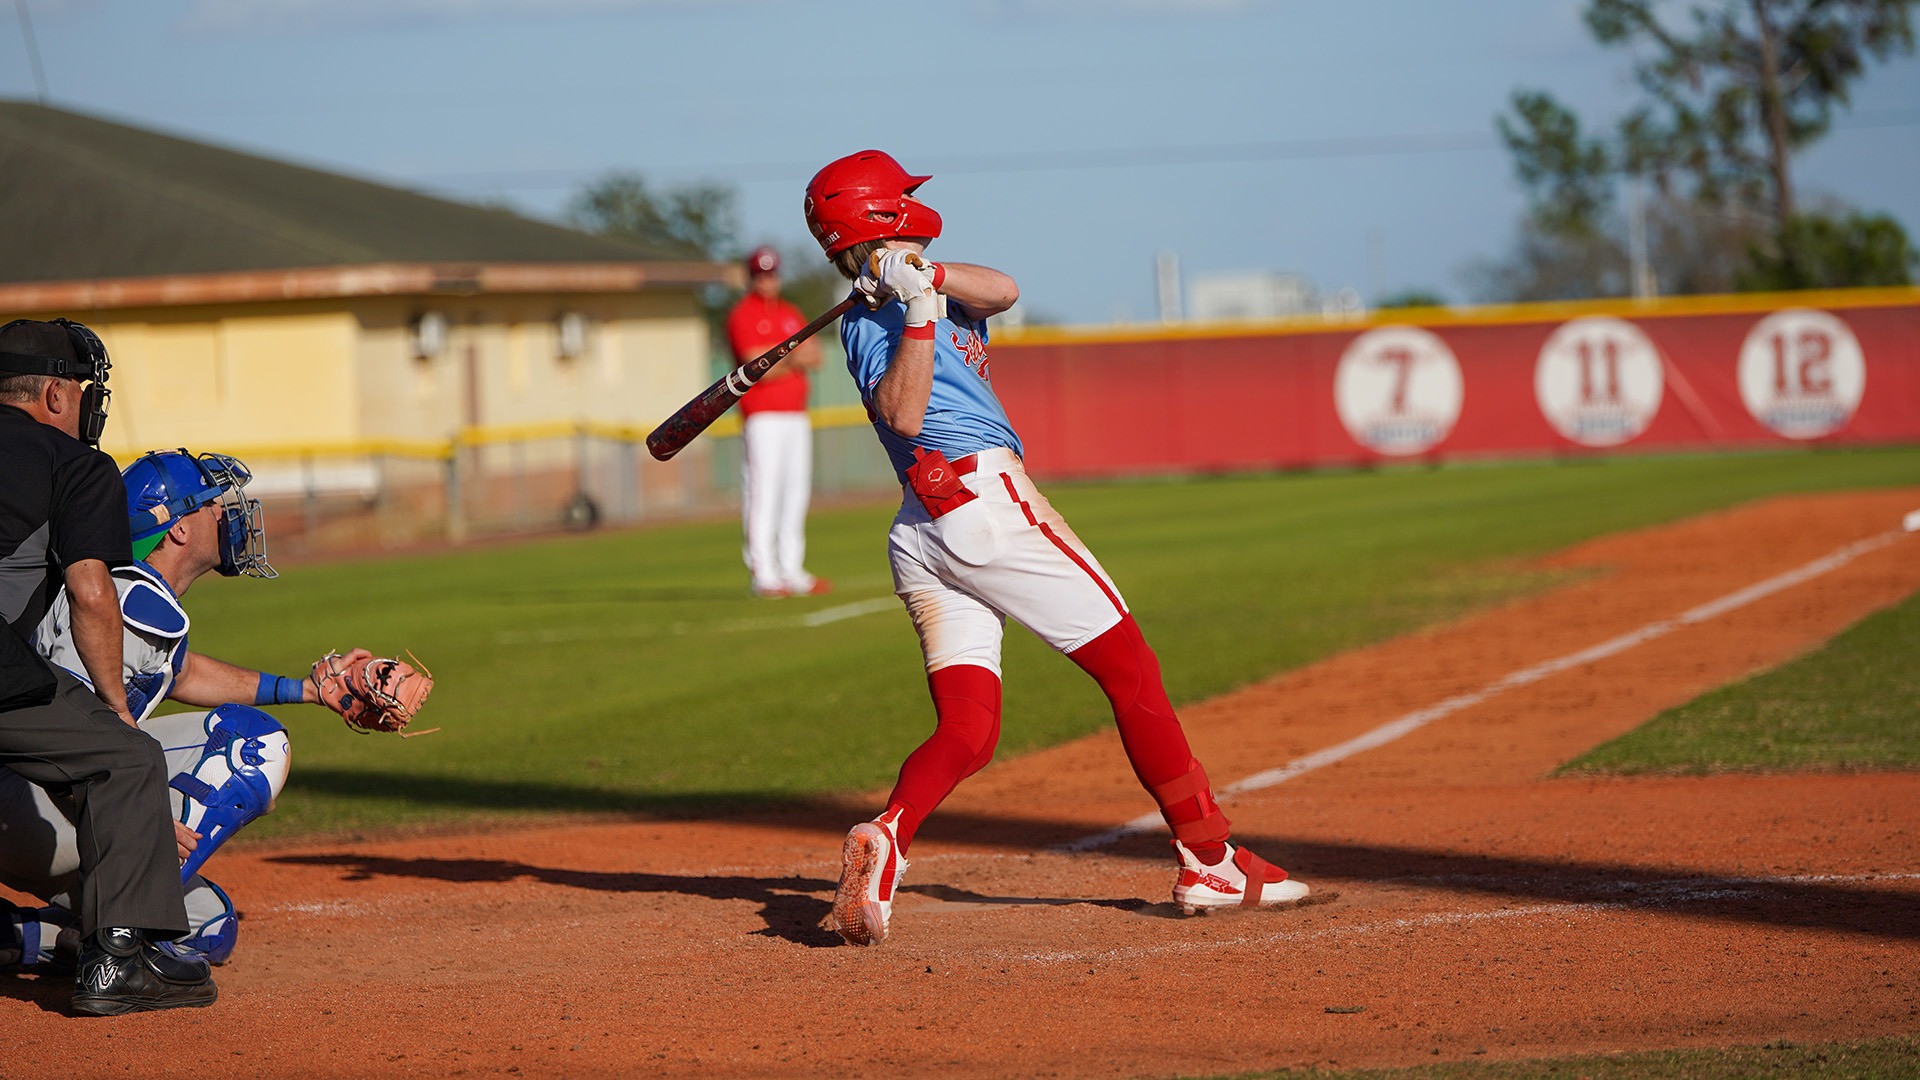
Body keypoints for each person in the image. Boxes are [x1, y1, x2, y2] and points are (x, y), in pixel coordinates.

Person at [801, 151, 1314, 947]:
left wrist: (924, 279)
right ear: (880, 213)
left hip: (929, 531)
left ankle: (888, 833)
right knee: (1132, 671)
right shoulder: (870, 324)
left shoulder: (926, 286)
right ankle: (1210, 859)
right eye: (901, 196)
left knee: (970, 728)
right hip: (980, 508)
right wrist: (916, 310)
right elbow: (902, 415)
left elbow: (1004, 289)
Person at [0, 448, 431, 976]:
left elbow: (181, 674)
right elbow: (59, 731)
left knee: (208, 925)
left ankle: (24, 935)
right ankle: (125, 930)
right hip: (26, 801)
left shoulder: (133, 594)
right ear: (178, 529)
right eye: (211, 503)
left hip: (37, 805)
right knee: (253, 745)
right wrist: (139, 822)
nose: (227, 513)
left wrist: (307, 690)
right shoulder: (128, 601)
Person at [0, 318, 217, 1013]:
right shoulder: (73, 463)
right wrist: (116, 712)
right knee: (125, 759)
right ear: (57, 395)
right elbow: (93, 595)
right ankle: (117, 960)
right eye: (84, 392)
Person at [727, 245, 829, 598]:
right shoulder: (743, 314)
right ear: (751, 277)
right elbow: (756, 366)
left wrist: (778, 357)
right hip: (762, 415)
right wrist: (792, 357)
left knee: (795, 492)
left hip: (795, 414)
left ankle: (792, 568)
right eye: (760, 275)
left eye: (771, 274)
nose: (767, 281)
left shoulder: (790, 312)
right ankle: (764, 573)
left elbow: (816, 356)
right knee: (763, 492)